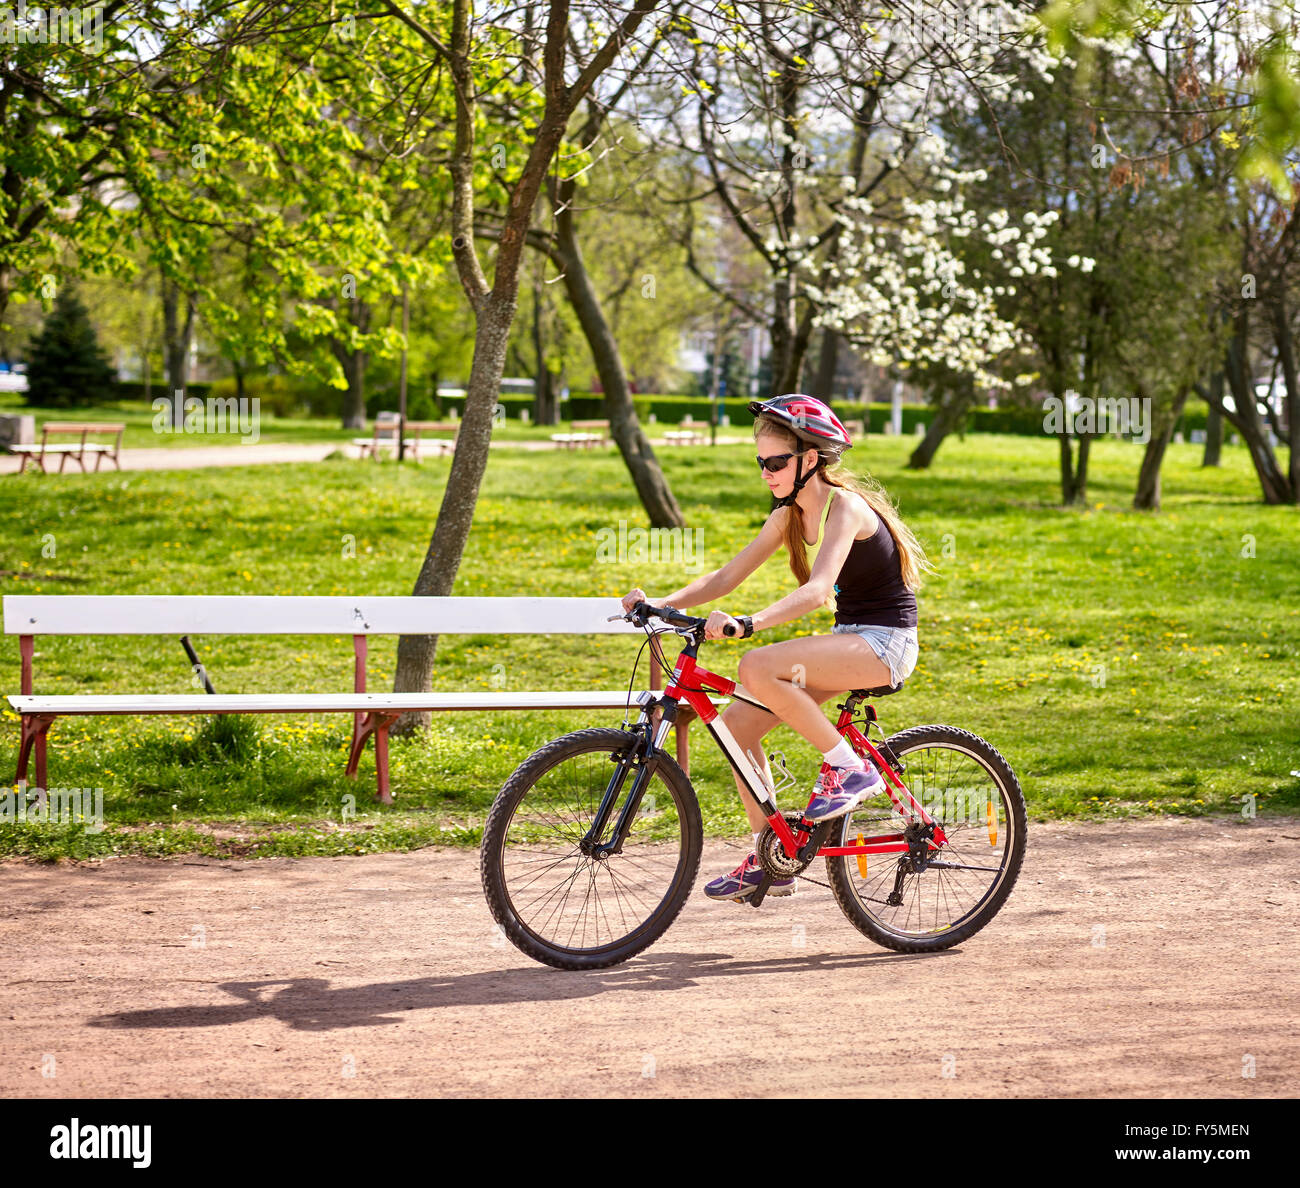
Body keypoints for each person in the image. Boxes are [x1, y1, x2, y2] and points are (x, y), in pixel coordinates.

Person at [620, 393, 931, 903]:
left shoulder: (845, 507)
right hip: (848, 641)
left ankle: (849, 767)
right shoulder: (788, 515)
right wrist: (659, 603)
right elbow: (726, 575)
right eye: (760, 462)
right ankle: (773, 854)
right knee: (735, 728)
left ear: (811, 459)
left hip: (884, 643)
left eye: (776, 462)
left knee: (756, 664)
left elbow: (817, 591)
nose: (766, 472)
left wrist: (749, 623)